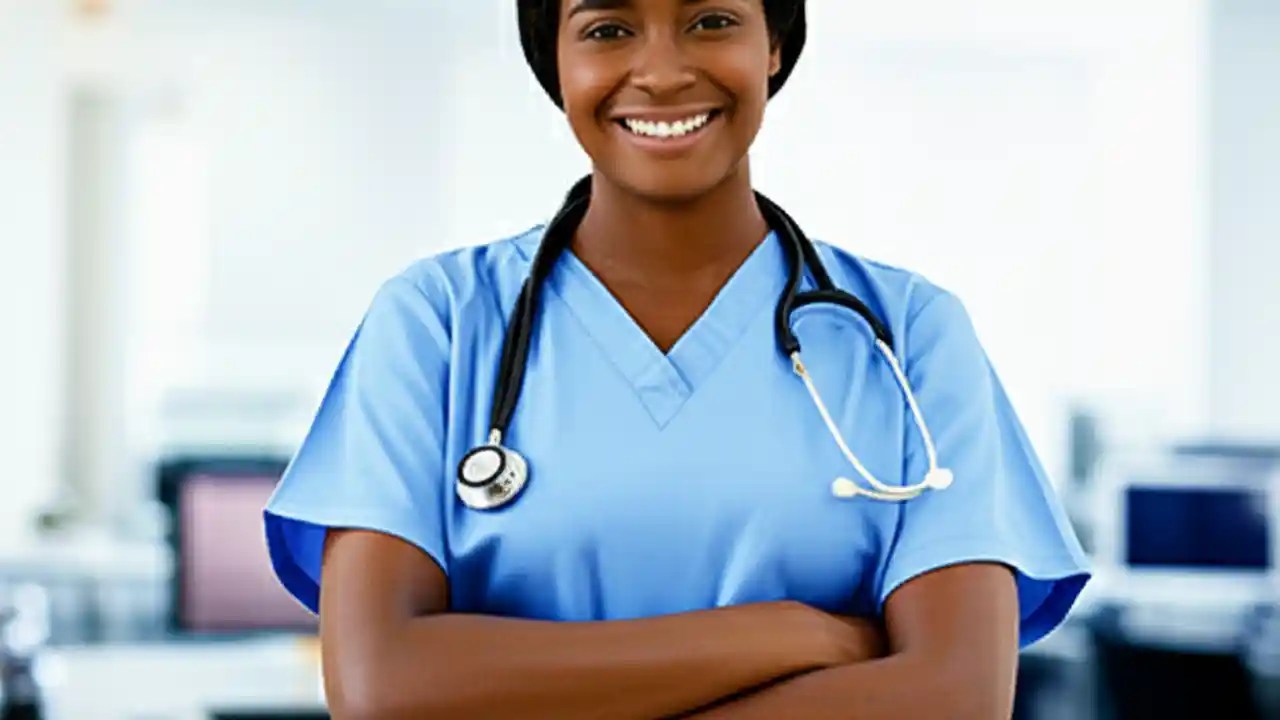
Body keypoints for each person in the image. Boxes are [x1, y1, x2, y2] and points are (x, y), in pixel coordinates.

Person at [263, 0, 1091, 717]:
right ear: (554, 57)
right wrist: (787, 631)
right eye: (609, 28)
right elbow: (383, 687)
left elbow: (951, 698)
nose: (660, 72)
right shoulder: (436, 322)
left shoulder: (909, 331)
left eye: (712, 21)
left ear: (774, 43)